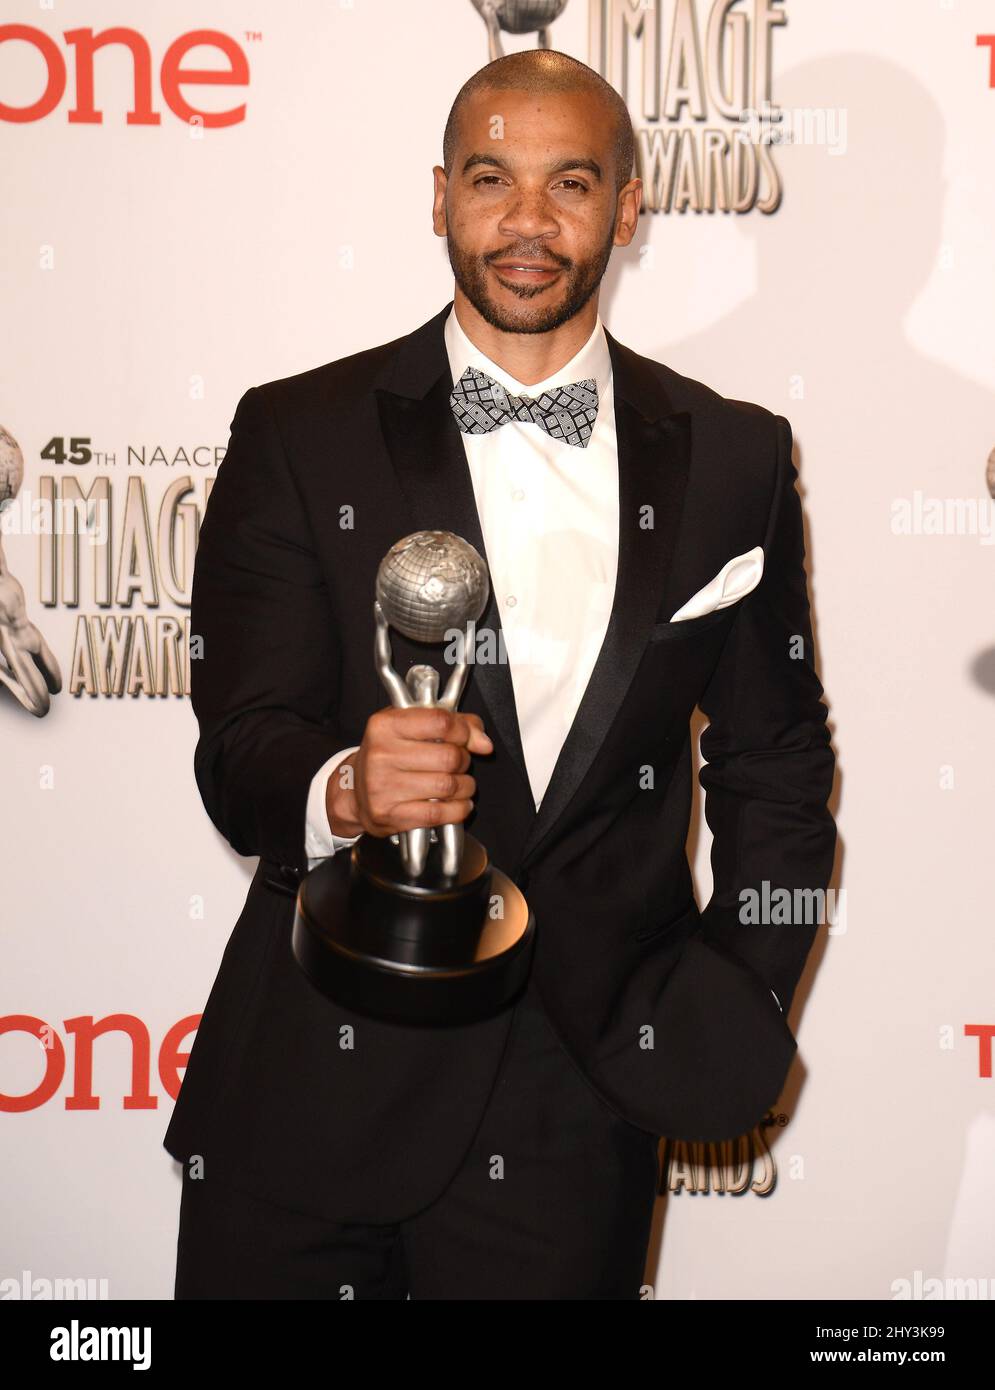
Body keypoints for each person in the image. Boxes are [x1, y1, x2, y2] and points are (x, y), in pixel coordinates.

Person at [164, 49, 837, 1300]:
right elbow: (239, 737)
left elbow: (776, 763)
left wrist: (727, 995)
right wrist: (343, 790)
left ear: (627, 210)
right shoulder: (300, 432)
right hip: (315, 1072)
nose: (526, 224)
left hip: (574, 1100)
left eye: (569, 184)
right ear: (437, 197)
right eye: (490, 180)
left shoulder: (733, 458)